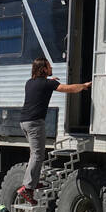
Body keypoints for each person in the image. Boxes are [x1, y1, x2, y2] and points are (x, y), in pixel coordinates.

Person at [18, 58, 90, 204]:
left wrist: (51, 80)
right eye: (49, 66)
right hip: (35, 123)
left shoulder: (30, 83)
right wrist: (83, 86)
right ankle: (27, 188)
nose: (51, 68)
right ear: (43, 69)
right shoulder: (48, 84)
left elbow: (43, 84)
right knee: (37, 155)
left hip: (24, 122)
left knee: (35, 154)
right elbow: (69, 89)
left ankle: (32, 183)